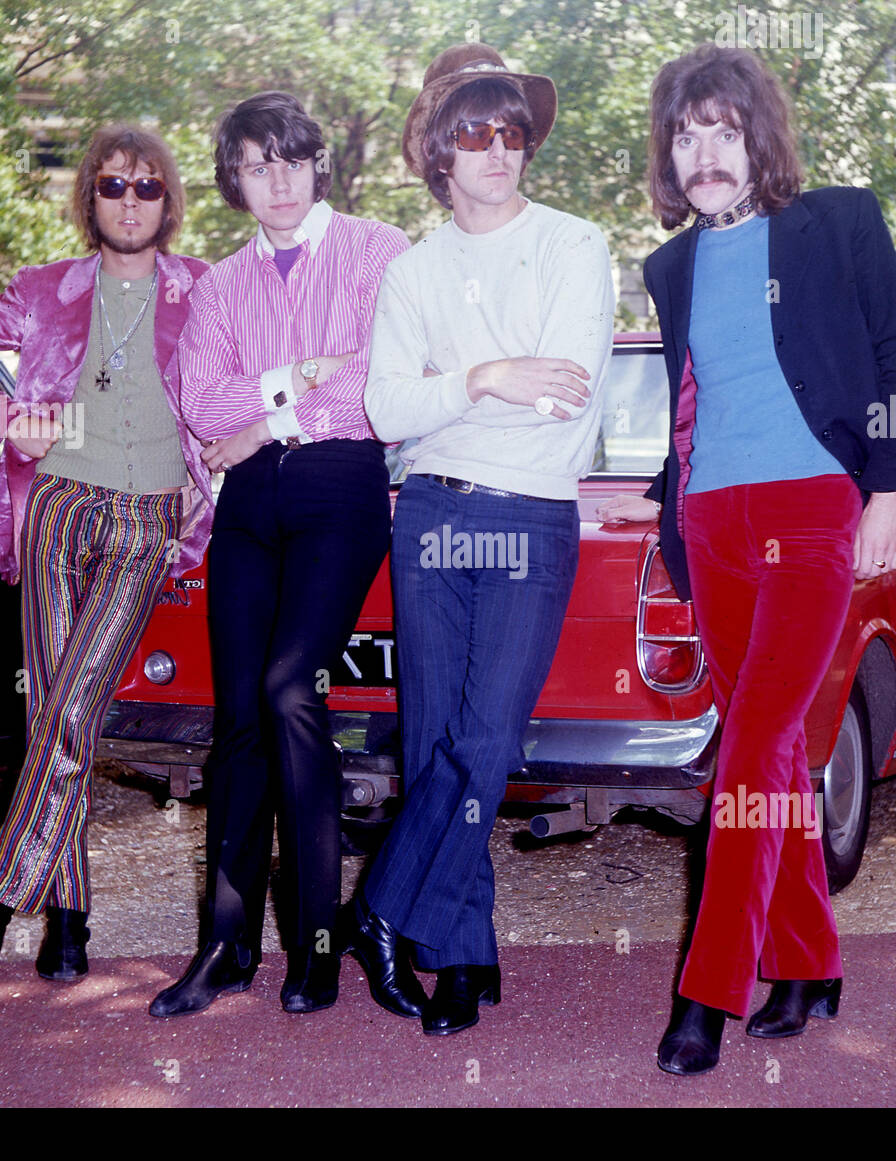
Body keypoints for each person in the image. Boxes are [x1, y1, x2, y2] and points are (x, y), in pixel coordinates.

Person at [598, 43, 896, 1074]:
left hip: (813, 515)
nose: (703, 150)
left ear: (758, 137)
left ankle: (707, 991)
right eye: (685, 132)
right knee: (776, 755)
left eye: (722, 128)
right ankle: (805, 960)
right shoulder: (669, 266)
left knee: (746, 750)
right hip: (710, 523)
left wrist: (888, 488)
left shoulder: (836, 225)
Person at [347, 43, 615, 1035]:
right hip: (427, 513)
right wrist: (488, 378)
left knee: (488, 739)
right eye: (473, 132)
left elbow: (569, 417)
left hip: (527, 513)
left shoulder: (575, 245)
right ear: (440, 153)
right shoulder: (412, 271)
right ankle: (459, 954)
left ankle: (376, 908)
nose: (496, 150)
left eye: (511, 131)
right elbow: (385, 410)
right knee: (432, 745)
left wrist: (449, 393)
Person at [0, 125, 212, 985]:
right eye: (114, 186)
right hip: (58, 505)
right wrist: (5, 419)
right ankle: (72, 916)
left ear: (169, 201)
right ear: (90, 198)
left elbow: (242, 380)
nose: (131, 201)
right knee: (59, 713)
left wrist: (216, 472)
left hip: (148, 517)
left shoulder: (203, 291)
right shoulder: (45, 289)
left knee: (74, 706)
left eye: (147, 186)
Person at [148, 93, 409, 1018]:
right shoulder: (218, 287)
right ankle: (225, 946)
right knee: (239, 723)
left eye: (293, 161)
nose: (279, 181)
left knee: (293, 688)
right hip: (250, 504)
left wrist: (267, 418)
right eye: (258, 166)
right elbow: (198, 405)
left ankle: (317, 943)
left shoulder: (381, 252)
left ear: (318, 166)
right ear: (235, 180)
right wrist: (297, 384)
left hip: (341, 490)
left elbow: (381, 383)